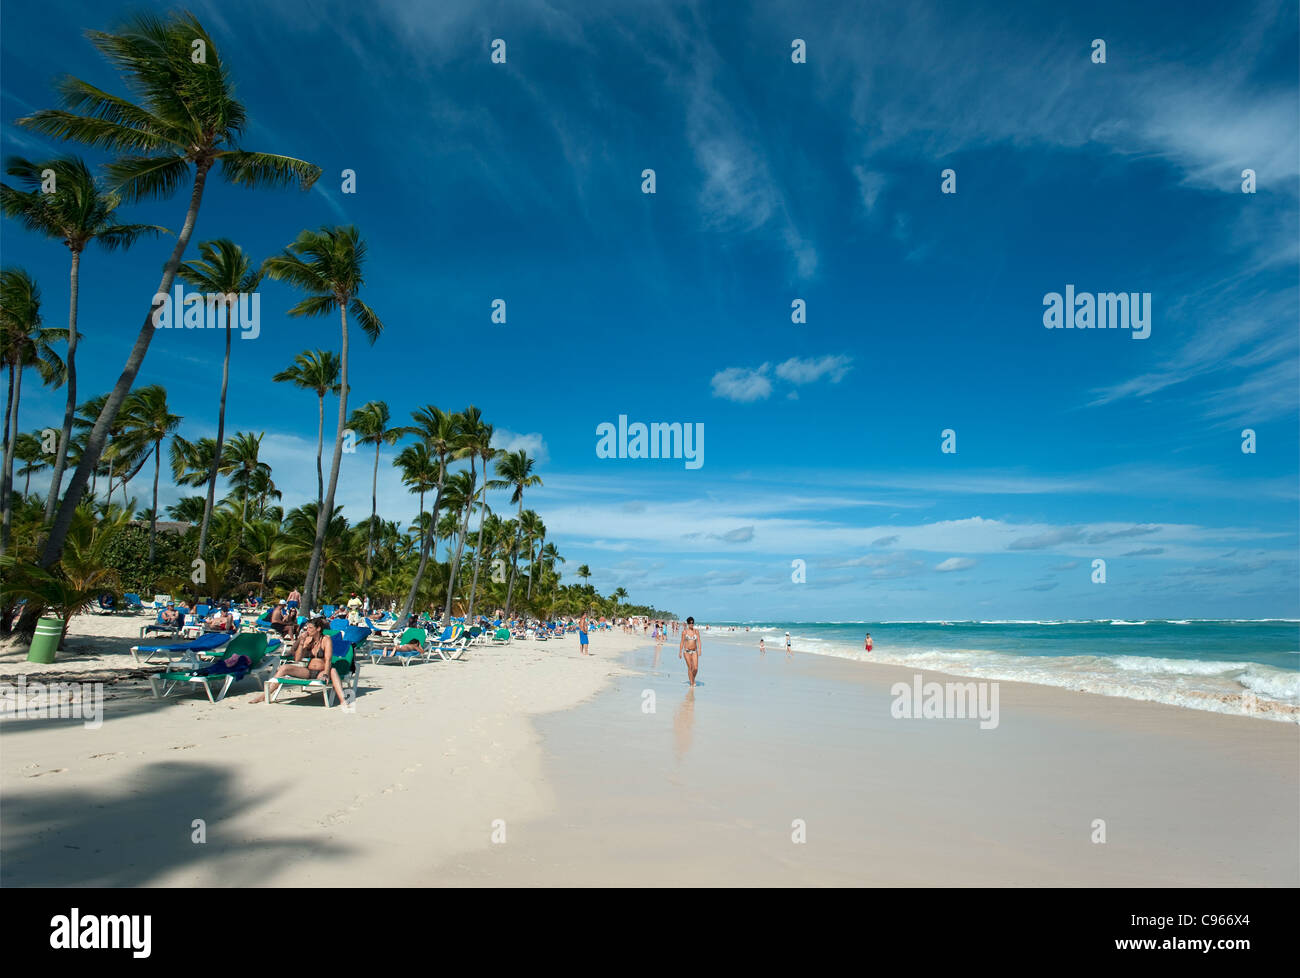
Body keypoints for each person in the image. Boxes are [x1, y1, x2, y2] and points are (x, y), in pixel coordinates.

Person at [252, 617, 347, 706]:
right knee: (284, 668)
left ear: (318, 629)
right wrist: (302, 642)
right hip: (308, 671)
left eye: (310, 628)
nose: (307, 630)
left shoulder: (326, 639)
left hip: (322, 671)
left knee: (333, 671)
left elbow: (328, 659)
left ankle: (342, 700)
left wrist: (326, 674)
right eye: (307, 628)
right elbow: (297, 659)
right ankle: (264, 695)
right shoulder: (308, 640)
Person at [679, 616, 701, 687]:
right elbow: (682, 642)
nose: (691, 624)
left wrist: (700, 649)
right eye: (690, 623)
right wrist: (680, 652)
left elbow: (699, 641)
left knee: (696, 668)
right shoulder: (684, 632)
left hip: (694, 651)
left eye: (692, 623)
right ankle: (692, 683)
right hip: (687, 651)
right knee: (690, 667)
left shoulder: (696, 631)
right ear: (688, 624)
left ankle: (692, 679)